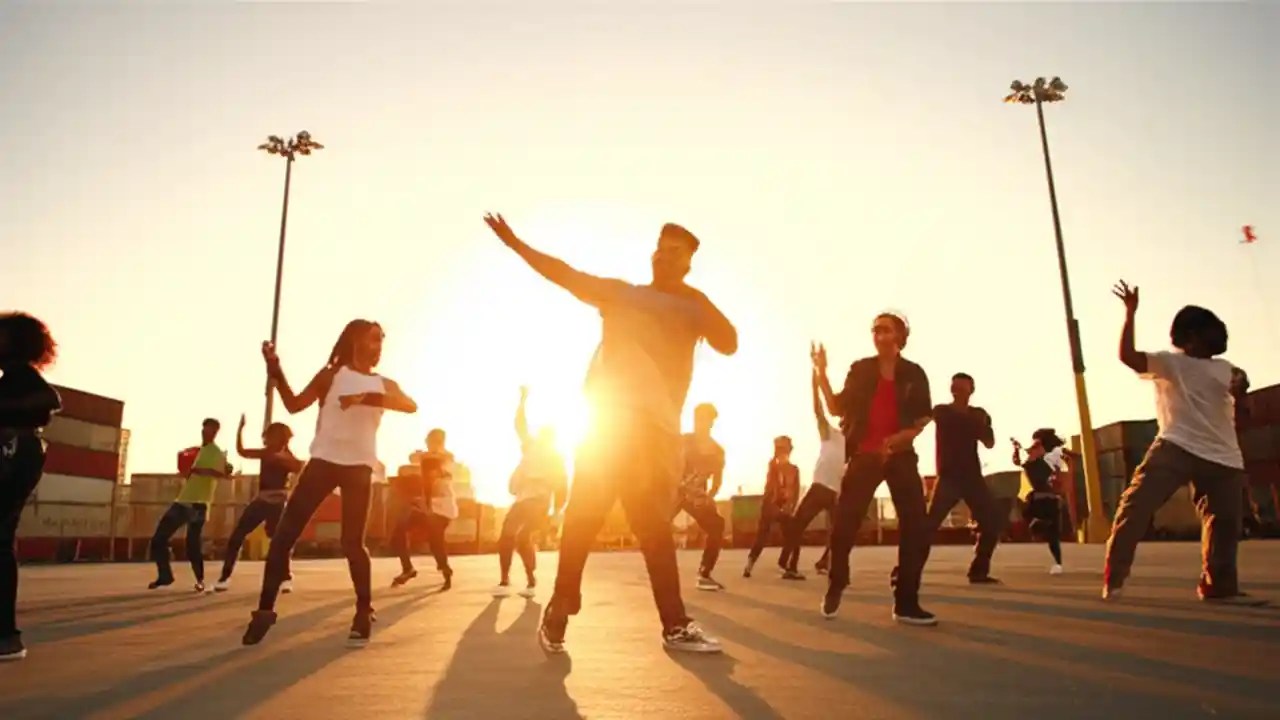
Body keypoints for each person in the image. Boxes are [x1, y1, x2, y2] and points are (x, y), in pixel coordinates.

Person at [482, 212, 737, 654]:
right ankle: (562, 606)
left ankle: (674, 626)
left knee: (653, 527)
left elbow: (729, 342)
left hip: (654, 435)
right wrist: (517, 245)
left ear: (688, 262)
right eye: (659, 245)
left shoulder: (693, 304)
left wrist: (696, 305)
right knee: (582, 516)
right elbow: (565, 275)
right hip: (607, 427)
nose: (661, 253)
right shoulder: (622, 295)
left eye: (674, 249)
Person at [242, 320, 419, 648]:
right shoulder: (330, 376)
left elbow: (410, 405)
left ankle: (363, 611)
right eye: (373, 339)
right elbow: (294, 404)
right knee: (282, 538)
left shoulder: (383, 383)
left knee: (352, 543)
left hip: (359, 468)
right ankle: (264, 612)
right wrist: (275, 369)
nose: (379, 346)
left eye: (382, 341)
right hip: (322, 462)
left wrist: (366, 398)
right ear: (355, 340)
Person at [1102, 280, 1264, 605]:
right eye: (1211, 332)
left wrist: (1243, 394)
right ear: (1188, 337)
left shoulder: (1226, 368)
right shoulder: (1170, 362)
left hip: (1224, 455)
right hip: (1176, 446)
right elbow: (1128, 356)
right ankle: (1115, 576)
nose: (1220, 337)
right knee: (1136, 509)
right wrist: (1130, 314)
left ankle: (1218, 587)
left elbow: (1240, 390)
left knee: (1225, 524)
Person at [813, 312, 936, 625]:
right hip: (864, 456)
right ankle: (837, 581)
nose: (879, 335)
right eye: (875, 330)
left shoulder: (914, 373)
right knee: (844, 526)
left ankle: (906, 601)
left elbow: (922, 420)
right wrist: (822, 373)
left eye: (885, 330)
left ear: (899, 336)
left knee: (916, 526)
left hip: (900, 456)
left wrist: (898, 439)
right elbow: (836, 407)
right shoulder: (861, 370)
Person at [0, 312, 62, 662]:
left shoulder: (23, 376)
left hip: (14, 453)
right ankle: (5, 635)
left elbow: (49, 401)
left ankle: (6, 636)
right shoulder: (10, 378)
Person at [918, 372, 1002, 584]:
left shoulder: (978, 414)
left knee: (992, 522)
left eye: (963, 388)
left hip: (972, 477)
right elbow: (919, 422)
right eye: (955, 387)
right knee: (928, 526)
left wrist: (984, 423)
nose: (959, 391)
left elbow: (990, 442)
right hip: (948, 477)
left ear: (971, 390)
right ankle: (904, 572)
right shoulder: (942, 412)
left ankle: (979, 571)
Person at [214, 414, 303, 593]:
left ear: (281, 439)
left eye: (271, 437)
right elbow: (242, 451)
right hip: (261, 501)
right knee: (236, 536)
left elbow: (301, 466)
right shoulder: (266, 453)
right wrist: (240, 429)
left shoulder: (285, 456)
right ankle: (224, 577)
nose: (267, 440)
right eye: (267, 437)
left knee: (279, 541)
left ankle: (285, 577)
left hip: (277, 503)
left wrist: (285, 458)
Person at [494, 387, 567, 598]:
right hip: (522, 498)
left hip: (539, 500)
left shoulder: (555, 457)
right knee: (509, 536)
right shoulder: (531, 446)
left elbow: (562, 484)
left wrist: (556, 511)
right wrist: (522, 401)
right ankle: (509, 579)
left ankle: (528, 578)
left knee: (521, 536)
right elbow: (520, 425)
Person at [777, 363, 843, 580]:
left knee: (838, 533)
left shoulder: (856, 443)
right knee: (797, 524)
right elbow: (818, 411)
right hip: (819, 487)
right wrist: (815, 384)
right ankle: (789, 564)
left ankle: (825, 561)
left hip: (837, 493)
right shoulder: (830, 433)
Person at [149, 418, 231, 592]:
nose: (205, 432)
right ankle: (165, 575)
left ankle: (200, 580)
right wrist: (190, 473)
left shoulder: (216, 453)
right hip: (183, 500)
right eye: (204, 428)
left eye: (210, 430)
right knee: (159, 539)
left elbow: (224, 473)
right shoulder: (199, 451)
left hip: (198, 504)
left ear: (216, 432)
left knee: (192, 544)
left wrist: (199, 471)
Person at [391, 429, 456, 590]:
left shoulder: (446, 458)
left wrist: (424, 456)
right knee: (399, 532)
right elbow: (413, 460)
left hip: (443, 508)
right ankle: (408, 569)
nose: (426, 443)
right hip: (428, 505)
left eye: (429, 440)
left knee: (435, 541)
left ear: (437, 441)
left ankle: (445, 570)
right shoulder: (427, 459)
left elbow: (437, 463)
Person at [674, 402, 728, 591]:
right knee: (657, 527)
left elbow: (717, 483)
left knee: (717, 525)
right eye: (696, 420)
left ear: (711, 423)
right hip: (674, 491)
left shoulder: (717, 452)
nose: (699, 424)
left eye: (704, 421)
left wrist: (708, 497)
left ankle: (704, 573)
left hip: (696, 497)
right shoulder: (682, 441)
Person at [1012, 429, 1067, 575]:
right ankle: (1041, 525)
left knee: (1052, 535)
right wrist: (1016, 449)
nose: (1031, 451)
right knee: (1029, 514)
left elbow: (1056, 466)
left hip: (1048, 500)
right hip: (1041, 500)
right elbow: (1017, 461)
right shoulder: (1031, 463)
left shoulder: (1048, 460)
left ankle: (1057, 563)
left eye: (1036, 447)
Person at [744, 436, 799, 578]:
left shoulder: (794, 470)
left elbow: (796, 491)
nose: (782, 451)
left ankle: (787, 565)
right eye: (780, 448)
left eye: (785, 448)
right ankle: (750, 564)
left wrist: (791, 507)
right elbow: (773, 484)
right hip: (770, 504)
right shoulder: (773, 465)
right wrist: (776, 504)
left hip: (784, 506)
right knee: (762, 536)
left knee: (793, 535)